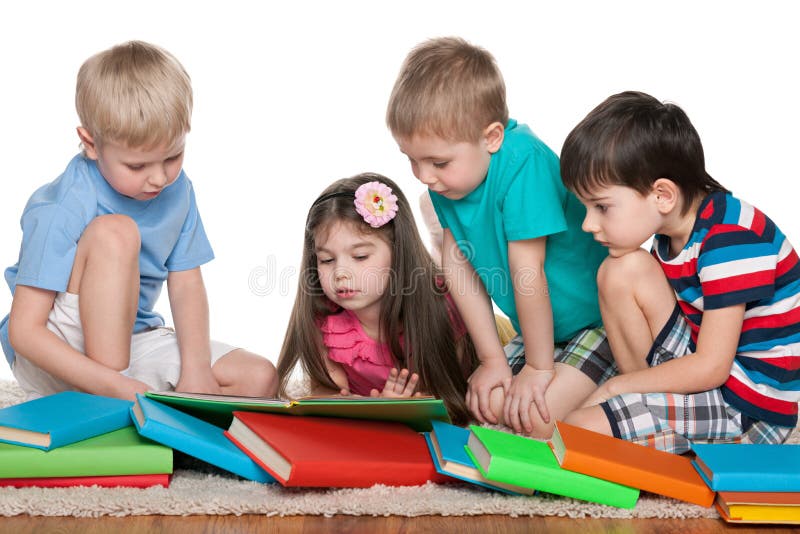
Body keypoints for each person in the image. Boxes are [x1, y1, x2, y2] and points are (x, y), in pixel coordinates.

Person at [0, 41, 277, 401]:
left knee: (259, 378)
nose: (159, 179)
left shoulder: (178, 191)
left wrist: (196, 372)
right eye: (137, 166)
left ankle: (136, 403)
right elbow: (25, 332)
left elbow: (186, 284)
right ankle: (110, 399)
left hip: (133, 338)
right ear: (91, 143)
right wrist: (112, 383)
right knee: (116, 232)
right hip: (58, 347)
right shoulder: (63, 204)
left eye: (173, 156)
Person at [386, 36, 608, 437]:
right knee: (483, 413)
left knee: (535, 423)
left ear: (491, 137)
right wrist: (493, 361)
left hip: (597, 321)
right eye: (411, 160)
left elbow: (529, 272)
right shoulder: (450, 183)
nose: (424, 176)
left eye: (438, 162)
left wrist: (539, 369)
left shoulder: (524, 162)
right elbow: (458, 267)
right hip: (538, 330)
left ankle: (606, 395)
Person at [558, 90, 800, 453]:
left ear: (663, 195)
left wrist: (616, 389)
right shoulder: (673, 229)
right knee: (618, 272)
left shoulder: (730, 240)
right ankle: (639, 418)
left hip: (746, 407)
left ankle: (649, 428)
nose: (589, 224)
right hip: (708, 372)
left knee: (579, 430)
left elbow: (712, 368)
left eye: (602, 207)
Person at [276, 173, 478, 424]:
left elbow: (452, 394)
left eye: (360, 257)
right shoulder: (326, 320)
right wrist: (377, 407)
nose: (341, 273)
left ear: (398, 252)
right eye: (327, 260)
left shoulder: (442, 306)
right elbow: (325, 394)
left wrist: (405, 409)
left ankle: (443, 235)